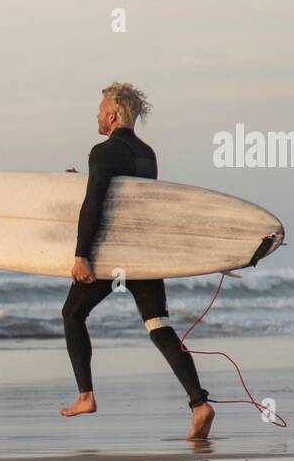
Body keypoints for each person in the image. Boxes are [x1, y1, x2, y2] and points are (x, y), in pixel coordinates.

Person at [60, 82, 215, 440]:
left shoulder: (102, 151)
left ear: (113, 114)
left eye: (100, 109)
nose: (97, 115)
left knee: (72, 313)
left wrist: (81, 254)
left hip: (113, 254)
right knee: (158, 324)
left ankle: (86, 395)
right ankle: (199, 403)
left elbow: (96, 203)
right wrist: (85, 183)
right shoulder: (148, 153)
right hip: (144, 255)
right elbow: (126, 196)